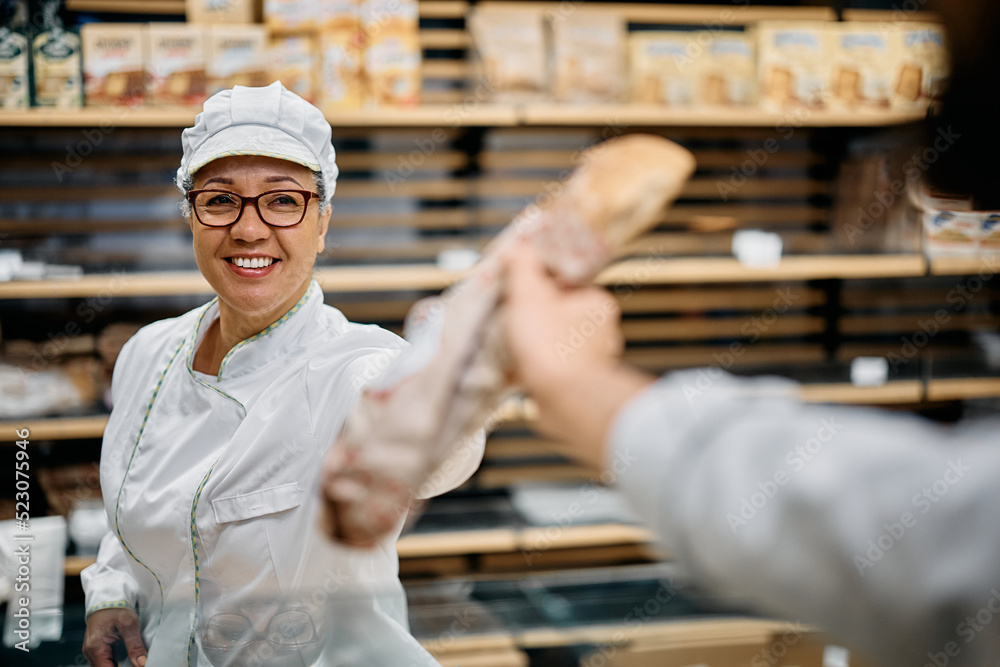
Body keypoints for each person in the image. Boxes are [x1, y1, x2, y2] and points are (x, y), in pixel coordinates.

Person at [81, 82, 483, 667]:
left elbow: (434, 447)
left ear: (321, 223)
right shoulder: (148, 353)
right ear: (190, 217)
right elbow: (139, 511)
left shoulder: (352, 365)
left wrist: (459, 381)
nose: (248, 229)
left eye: (283, 200)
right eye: (219, 200)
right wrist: (112, 592)